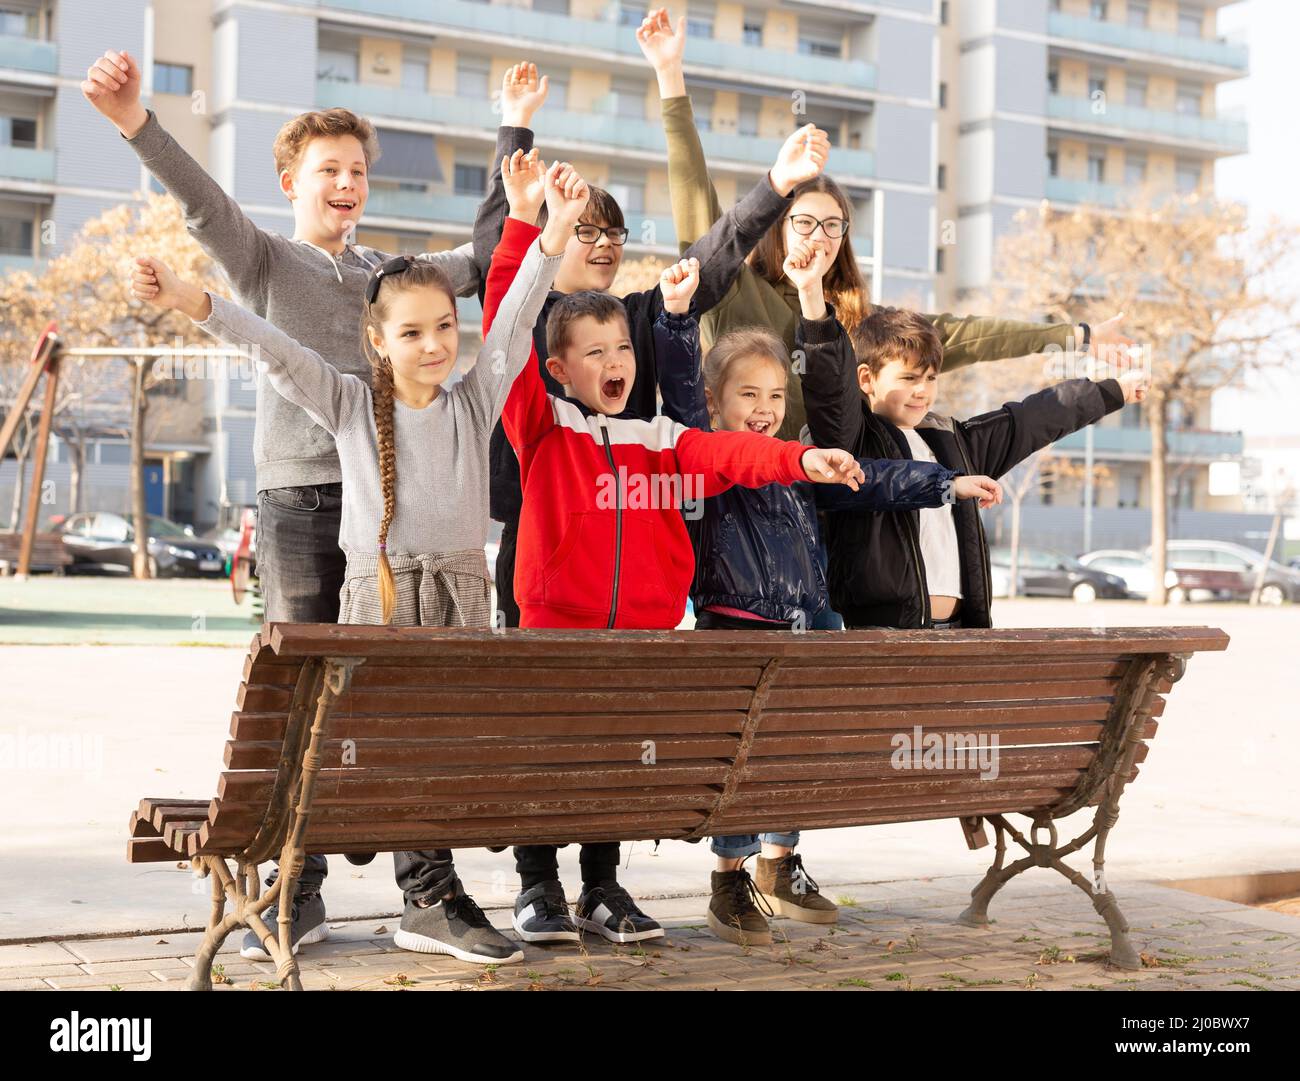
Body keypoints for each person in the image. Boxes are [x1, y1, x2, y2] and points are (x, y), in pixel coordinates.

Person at [132, 153, 590, 964]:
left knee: (430, 757)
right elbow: (272, 346)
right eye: (412, 332)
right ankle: (300, 886)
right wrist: (190, 300)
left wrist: (552, 230)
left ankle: (426, 899)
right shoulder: (347, 402)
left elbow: (516, 318)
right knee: (340, 749)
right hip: (377, 612)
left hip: (456, 611)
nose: (434, 344)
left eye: (445, 327)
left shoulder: (476, 398)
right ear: (375, 342)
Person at [486, 227, 866, 946]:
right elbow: (504, 332)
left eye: (623, 347)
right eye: (594, 351)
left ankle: (601, 885)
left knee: (612, 765)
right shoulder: (542, 426)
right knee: (551, 756)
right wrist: (523, 235)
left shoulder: (662, 440)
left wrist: (801, 459)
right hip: (557, 629)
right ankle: (539, 884)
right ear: (560, 368)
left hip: (642, 637)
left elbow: (730, 451)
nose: (614, 360)